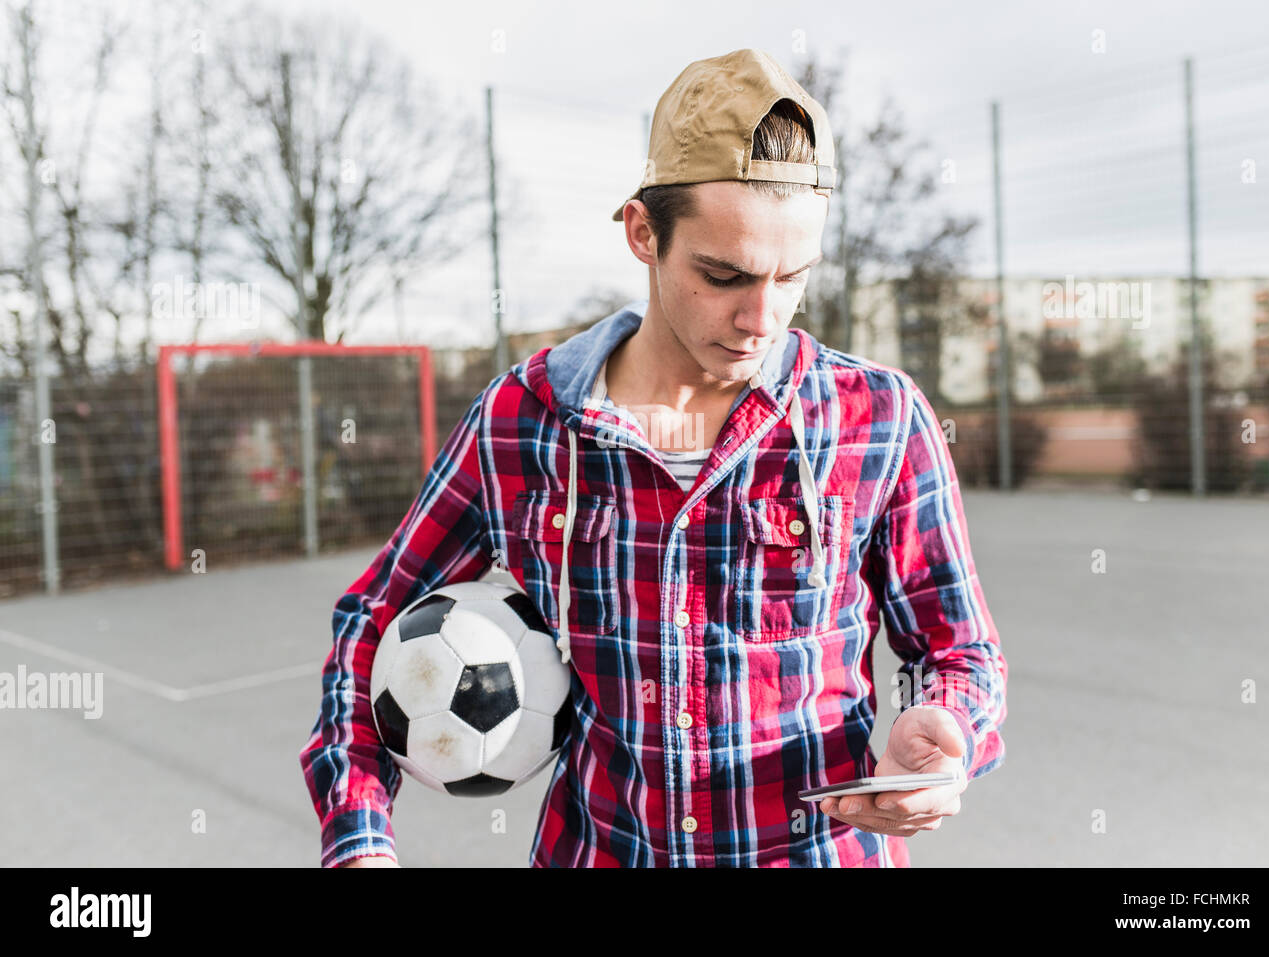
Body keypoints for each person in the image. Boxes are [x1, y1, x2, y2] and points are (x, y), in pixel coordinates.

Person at [299, 47, 1007, 868]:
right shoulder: (522, 423)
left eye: (793, 277)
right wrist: (358, 840)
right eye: (725, 273)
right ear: (643, 232)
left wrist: (947, 728)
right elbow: (373, 621)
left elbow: (959, 650)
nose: (761, 316)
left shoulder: (879, 419)